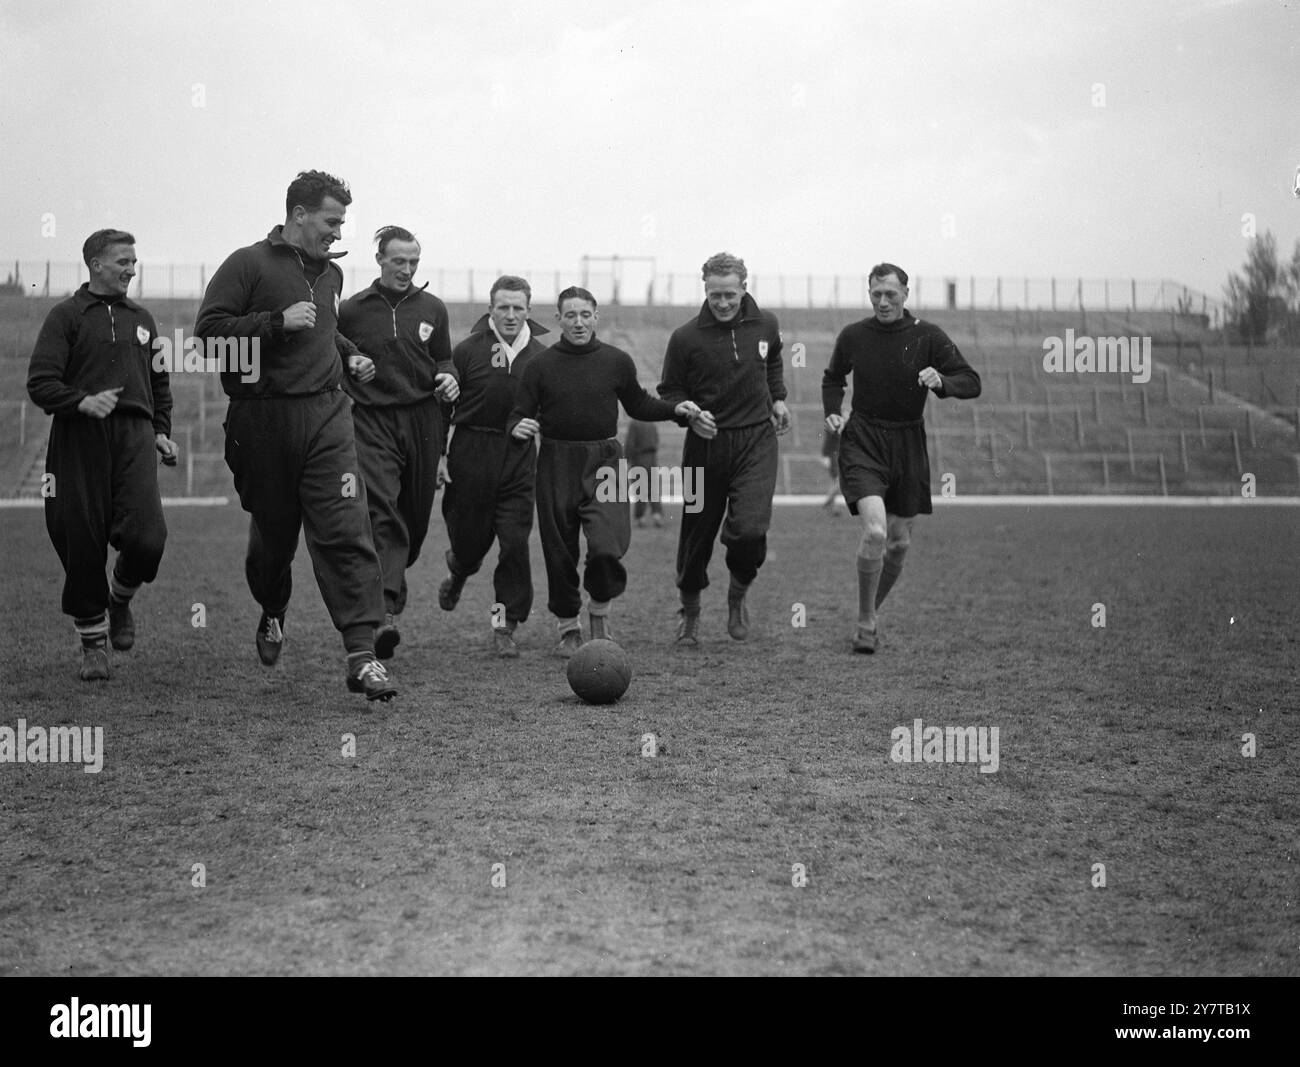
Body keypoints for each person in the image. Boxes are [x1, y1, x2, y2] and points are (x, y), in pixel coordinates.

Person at [194, 170, 396, 701]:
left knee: (346, 527)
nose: (337, 231)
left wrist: (348, 353)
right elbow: (208, 335)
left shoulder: (331, 274)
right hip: (262, 420)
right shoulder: (247, 264)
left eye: (342, 222)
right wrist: (275, 324)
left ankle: (362, 655)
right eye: (331, 220)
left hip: (329, 417)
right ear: (299, 214)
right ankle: (273, 608)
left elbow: (324, 329)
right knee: (274, 541)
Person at [508, 287, 712, 656]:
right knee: (560, 551)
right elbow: (518, 413)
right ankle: (568, 626)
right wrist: (517, 428)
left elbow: (639, 404)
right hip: (556, 461)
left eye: (585, 314)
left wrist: (675, 409)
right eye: (570, 315)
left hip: (606, 461)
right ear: (558, 320)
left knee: (607, 546)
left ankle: (599, 611)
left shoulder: (616, 361)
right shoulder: (539, 366)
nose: (578, 322)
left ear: (596, 317)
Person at [27, 229, 178, 680]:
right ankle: (93, 644)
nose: (132, 269)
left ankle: (121, 599)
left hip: (133, 435)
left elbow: (160, 387)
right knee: (81, 538)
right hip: (80, 438)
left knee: (149, 538)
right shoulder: (66, 316)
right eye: (123, 262)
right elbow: (40, 381)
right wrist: (80, 402)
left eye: (134, 262)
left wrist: (161, 431)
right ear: (95, 263)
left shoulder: (143, 319)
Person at [822, 262, 981, 653]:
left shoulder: (927, 335)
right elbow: (833, 377)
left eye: (890, 294)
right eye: (875, 294)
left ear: (906, 294)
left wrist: (942, 381)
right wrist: (832, 409)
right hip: (863, 438)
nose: (882, 301)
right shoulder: (854, 335)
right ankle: (865, 622)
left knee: (898, 543)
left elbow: (971, 381)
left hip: (908, 442)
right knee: (875, 531)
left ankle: (868, 613)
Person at [337, 225, 459, 660]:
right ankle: (383, 613)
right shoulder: (351, 310)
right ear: (380, 260)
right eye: (399, 261)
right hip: (372, 420)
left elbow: (444, 359)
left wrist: (449, 377)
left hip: (423, 420)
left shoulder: (433, 309)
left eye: (414, 262)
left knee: (414, 521)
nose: (407, 269)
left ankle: (395, 576)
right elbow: (334, 359)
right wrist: (351, 363)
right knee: (381, 509)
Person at [657, 252, 786, 646]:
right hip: (706, 445)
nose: (724, 303)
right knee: (695, 540)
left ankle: (737, 593)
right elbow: (670, 392)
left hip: (756, 441)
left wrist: (778, 399)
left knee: (750, 530)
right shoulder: (685, 337)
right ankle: (691, 612)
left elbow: (774, 360)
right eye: (716, 295)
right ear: (705, 291)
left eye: (730, 294)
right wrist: (691, 414)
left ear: (744, 287)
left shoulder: (766, 324)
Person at [437, 275, 550, 658]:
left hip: (518, 460)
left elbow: (552, 410)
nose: (511, 315)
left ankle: (504, 623)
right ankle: (459, 570)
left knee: (514, 545)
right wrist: (439, 454)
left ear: (529, 312)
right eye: (503, 307)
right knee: (468, 546)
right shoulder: (467, 351)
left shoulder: (541, 357)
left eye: (519, 307)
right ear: (490, 309)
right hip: (470, 453)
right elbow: (443, 406)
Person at [624, 419, 663, 527]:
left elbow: (630, 444)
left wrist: (626, 460)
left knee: (640, 489)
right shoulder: (652, 423)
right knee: (653, 489)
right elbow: (656, 440)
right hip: (652, 459)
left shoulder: (634, 424)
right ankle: (657, 514)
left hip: (639, 459)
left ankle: (640, 517)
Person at [821, 426, 842, 515]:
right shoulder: (835, 425)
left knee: (835, 482)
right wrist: (825, 456)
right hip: (833, 456)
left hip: (839, 455)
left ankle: (832, 507)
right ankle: (828, 502)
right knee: (838, 481)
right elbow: (827, 442)